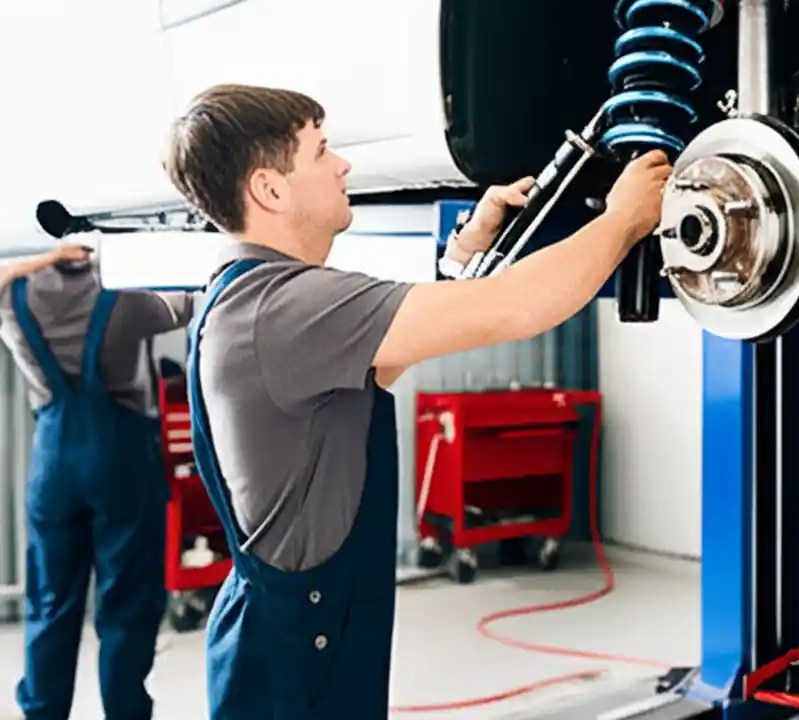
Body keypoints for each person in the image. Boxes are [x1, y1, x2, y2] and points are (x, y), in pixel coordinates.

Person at [160, 83, 671, 718]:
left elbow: (403, 342)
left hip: (295, 636)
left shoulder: (260, 297)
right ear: (270, 189)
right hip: (295, 661)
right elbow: (517, 308)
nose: (343, 165)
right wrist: (622, 219)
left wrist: (468, 246)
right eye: (321, 151)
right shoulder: (285, 307)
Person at [0, 241, 196, 720]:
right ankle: (125, 711)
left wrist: (45, 258)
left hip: (53, 466)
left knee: (51, 603)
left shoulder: (14, 298)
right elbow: (186, 301)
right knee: (127, 604)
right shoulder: (124, 296)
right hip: (121, 463)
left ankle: (44, 712)